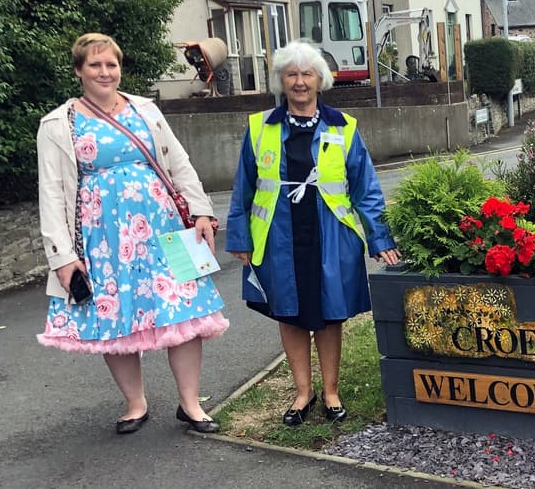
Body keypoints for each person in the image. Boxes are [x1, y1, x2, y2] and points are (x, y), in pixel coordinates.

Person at [36, 33, 229, 435]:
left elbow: (179, 162)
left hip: (166, 229)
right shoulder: (57, 124)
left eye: (111, 64)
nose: (105, 72)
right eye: (95, 65)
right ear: (78, 71)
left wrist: (202, 212)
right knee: (115, 319)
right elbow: (51, 192)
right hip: (102, 238)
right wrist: (63, 257)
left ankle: (191, 404)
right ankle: (135, 402)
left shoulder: (145, 110)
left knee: (186, 312)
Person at [227, 41, 400, 426]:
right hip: (279, 235)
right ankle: (302, 393)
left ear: (320, 80)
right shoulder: (260, 127)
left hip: (330, 233)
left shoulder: (344, 127)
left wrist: (380, 238)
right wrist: (240, 237)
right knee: (287, 313)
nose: (300, 82)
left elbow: (364, 187)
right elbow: (245, 186)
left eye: (307, 74)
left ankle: (332, 392)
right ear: (281, 81)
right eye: (292, 74)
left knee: (329, 313)